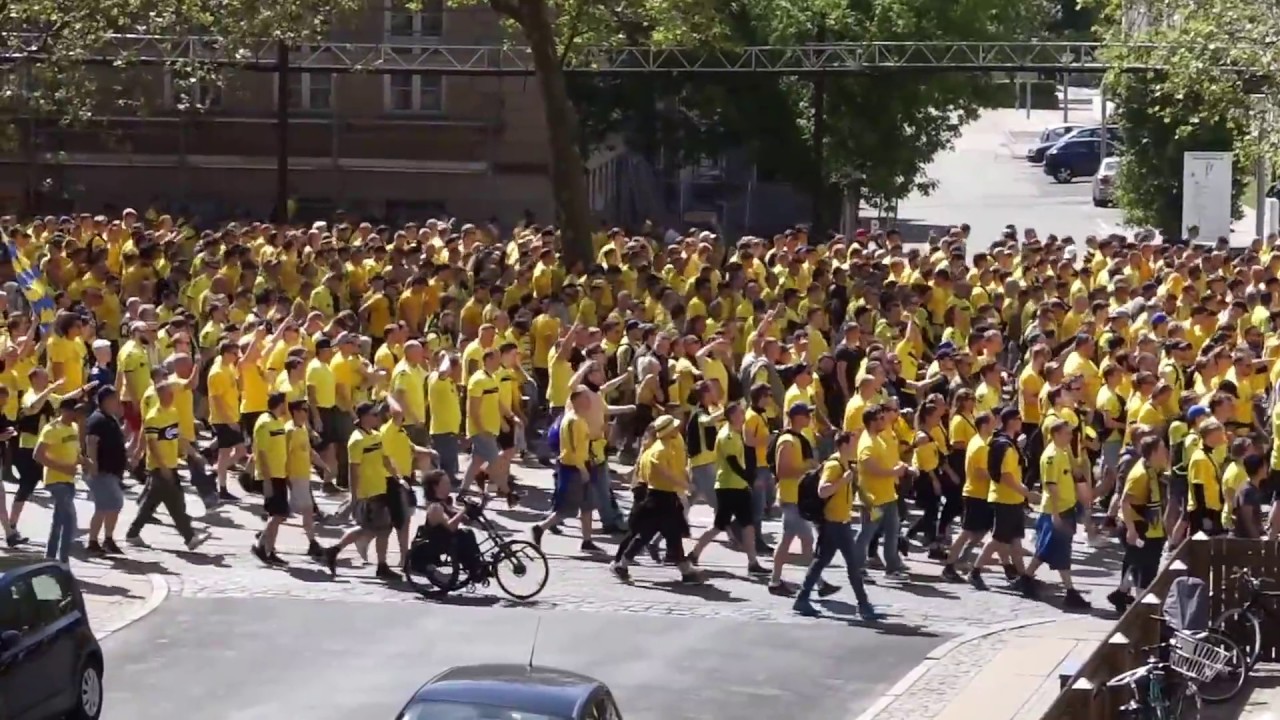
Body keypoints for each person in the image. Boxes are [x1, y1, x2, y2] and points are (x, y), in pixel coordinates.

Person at [792, 431, 881, 620]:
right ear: (844, 445)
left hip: (840, 522)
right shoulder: (834, 465)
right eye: (853, 442)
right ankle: (864, 606)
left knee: (821, 561)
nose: (856, 446)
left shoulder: (846, 464)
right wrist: (843, 481)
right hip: (834, 524)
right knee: (852, 564)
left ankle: (802, 598)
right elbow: (823, 491)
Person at [610, 415, 700, 584]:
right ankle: (622, 564)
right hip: (659, 497)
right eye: (673, 427)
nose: (677, 429)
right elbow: (665, 473)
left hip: (665, 497)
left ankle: (685, 571)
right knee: (648, 534)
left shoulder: (667, 446)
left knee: (668, 534)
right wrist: (685, 485)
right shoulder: (660, 450)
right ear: (667, 430)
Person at [126, 379, 212, 550]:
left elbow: (178, 437)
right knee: (175, 503)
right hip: (160, 467)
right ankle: (189, 538)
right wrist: (163, 467)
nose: (172, 396)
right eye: (169, 394)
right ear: (161, 396)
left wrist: (194, 454)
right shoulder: (153, 418)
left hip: (170, 465)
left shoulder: (172, 413)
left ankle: (133, 533)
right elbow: (152, 445)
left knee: (153, 503)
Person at [321, 401, 399, 580]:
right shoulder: (356, 440)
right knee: (381, 529)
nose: (378, 417)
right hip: (368, 491)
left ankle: (335, 550)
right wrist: (354, 496)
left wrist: (397, 477)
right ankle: (381, 566)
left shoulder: (377, 436)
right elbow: (353, 469)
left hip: (381, 487)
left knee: (371, 529)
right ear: (364, 417)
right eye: (374, 414)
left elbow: (385, 460)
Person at [687, 402, 768, 575]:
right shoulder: (728, 436)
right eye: (741, 413)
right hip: (728, 487)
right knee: (719, 526)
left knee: (747, 525)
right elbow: (733, 463)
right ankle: (693, 554)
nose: (744, 415)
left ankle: (753, 563)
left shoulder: (736, 433)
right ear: (732, 416)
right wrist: (751, 480)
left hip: (739, 486)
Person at [1023, 418, 1090, 609]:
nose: (1071, 436)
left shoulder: (1062, 452)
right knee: (1057, 551)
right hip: (1056, 510)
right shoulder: (1052, 456)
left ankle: (1027, 579)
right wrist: (1055, 514)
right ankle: (1069, 592)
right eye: (1067, 433)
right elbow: (1051, 486)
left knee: (1049, 550)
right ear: (1056, 434)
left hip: (1064, 508)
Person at [531, 387, 599, 553]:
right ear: (576, 401)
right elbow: (572, 450)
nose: (589, 401)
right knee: (567, 509)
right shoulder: (574, 421)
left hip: (581, 465)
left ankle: (587, 541)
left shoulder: (577, 419)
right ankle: (540, 527)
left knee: (587, 506)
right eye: (585, 398)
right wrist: (582, 469)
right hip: (574, 469)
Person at [34, 396, 83, 565]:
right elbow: (38, 455)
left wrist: (84, 462)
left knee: (59, 520)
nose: (76, 414)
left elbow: (74, 452)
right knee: (70, 520)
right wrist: (63, 468)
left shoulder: (74, 428)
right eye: (74, 411)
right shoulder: (51, 429)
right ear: (63, 410)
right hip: (55, 480)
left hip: (69, 480)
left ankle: (49, 558)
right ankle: (63, 562)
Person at [84, 385, 128, 555]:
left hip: (111, 471)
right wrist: (93, 465)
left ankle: (107, 539)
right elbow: (91, 442)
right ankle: (93, 541)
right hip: (101, 472)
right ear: (106, 400)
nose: (118, 402)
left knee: (109, 505)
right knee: (107, 505)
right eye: (115, 399)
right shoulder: (97, 419)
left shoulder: (110, 418)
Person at [251, 392, 291, 566]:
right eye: (285, 404)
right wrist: (267, 479)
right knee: (277, 514)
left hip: (280, 474)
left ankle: (270, 550)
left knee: (278, 515)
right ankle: (261, 546)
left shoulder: (278, 422)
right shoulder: (264, 423)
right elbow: (261, 452)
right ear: (280, 404)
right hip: (271, 475)